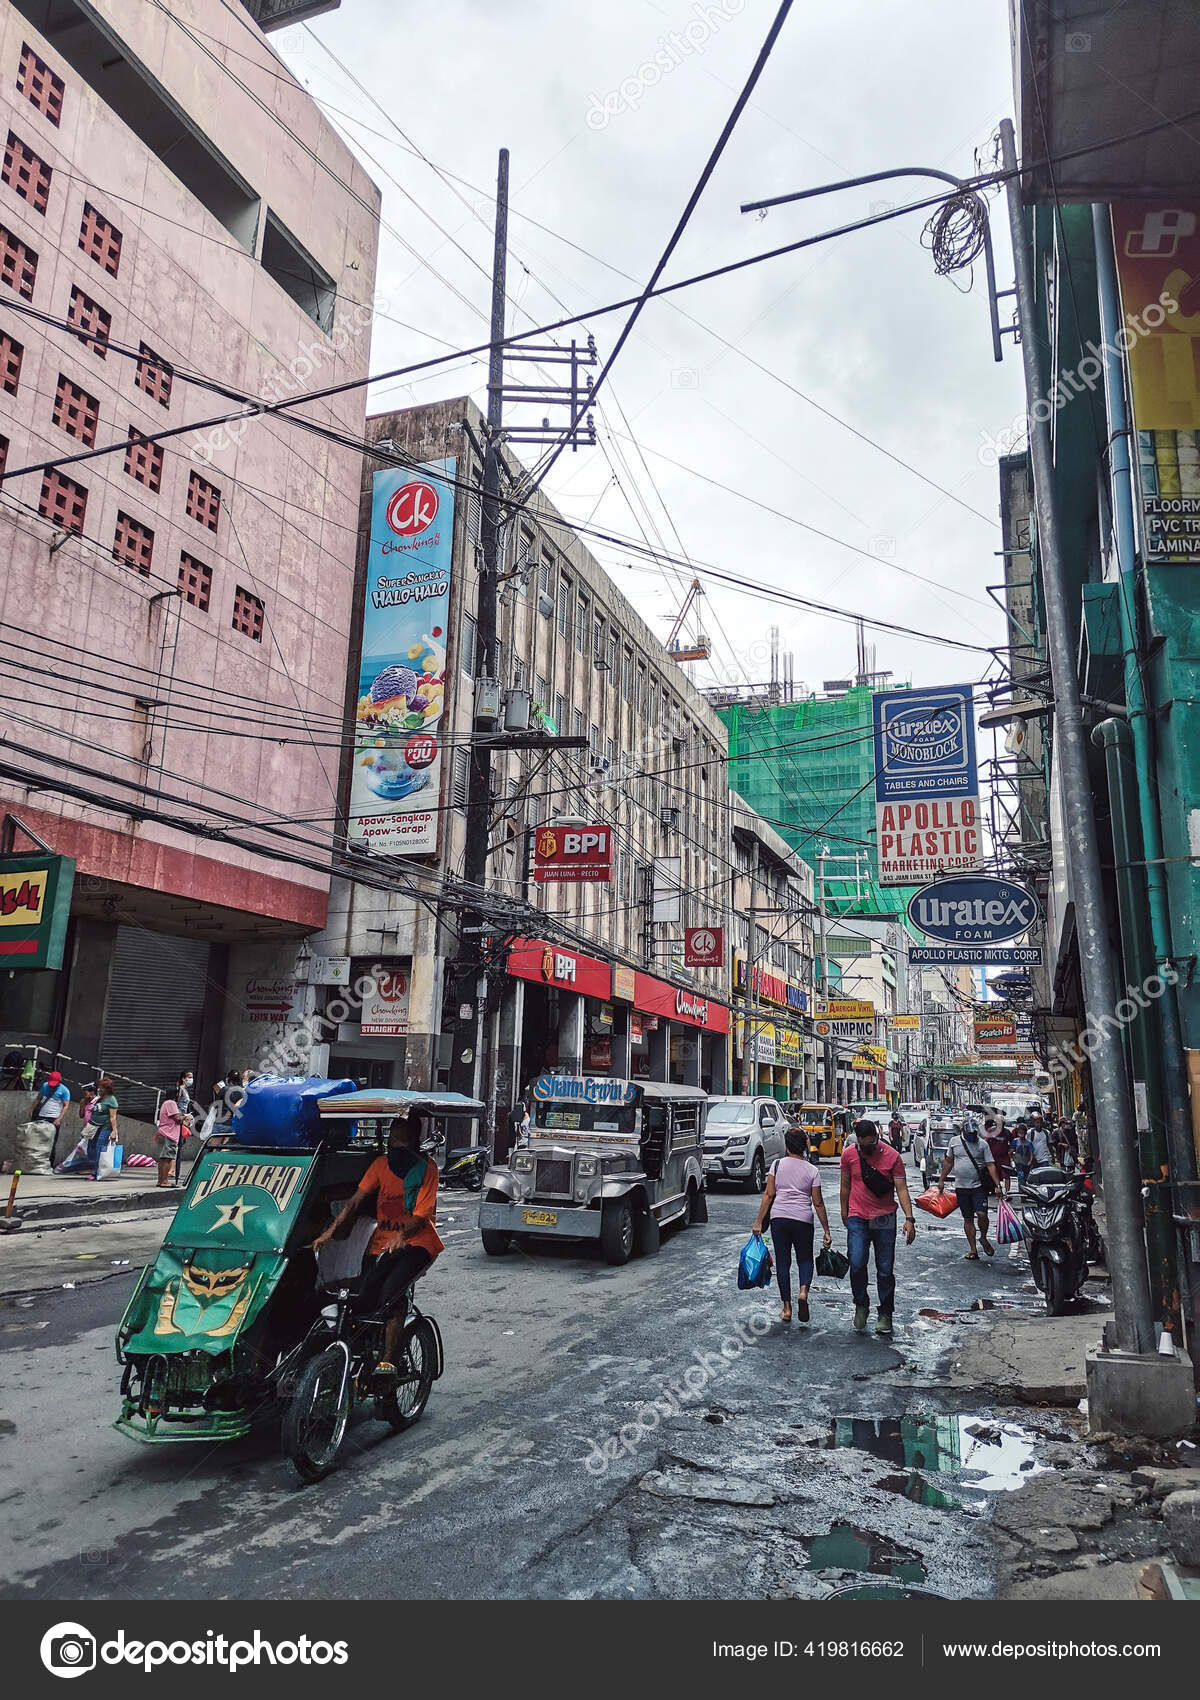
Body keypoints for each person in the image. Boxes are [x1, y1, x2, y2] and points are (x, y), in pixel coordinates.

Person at [312, 1113, 443, 1376]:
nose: (395, 1146)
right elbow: (355, 1202)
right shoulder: (380, 1165)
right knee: (361, 1295)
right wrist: (330, 1232)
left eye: (402, 1142)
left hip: (417, 1244)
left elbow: (422, 1214)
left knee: (391, 1294)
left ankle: (389, 1361)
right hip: (381, 1246)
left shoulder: (427, 1168)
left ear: (414, 1143)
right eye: (392, 1141)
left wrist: (400, 1236)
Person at [840, 1118, 916, 1337]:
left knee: (884, 1269)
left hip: (883, 1217)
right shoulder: (849, 1155)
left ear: (877, 1137)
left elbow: (902, 1189)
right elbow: (845, 1184)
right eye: (864, 1146)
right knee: (856, 1262)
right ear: (858, 1140)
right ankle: (861, 1303)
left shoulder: (892, 1156)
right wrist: (845, 1211)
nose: (868, 1150)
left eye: (872, 1144)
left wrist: (909, 1219)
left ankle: (885, 1314)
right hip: (857, 1216)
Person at [751, 1128, 833, 1325]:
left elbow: (769, 1195)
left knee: (783, 1263)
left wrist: (758, 1221)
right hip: (803, 1220)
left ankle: (786, 1308)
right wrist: (826, 1230)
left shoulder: (777, 1166)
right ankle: (803, 1291)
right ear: (804, 1145)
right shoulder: (812, 1170)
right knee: (805, 1260)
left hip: (779, 1218)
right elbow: (818, 1203)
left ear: (787, 1146)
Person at [938, 1119, 1002, 1259]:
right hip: (961, 1187)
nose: (972, 1135)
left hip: (978, 1186)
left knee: (982, 1214)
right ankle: (973, 1249)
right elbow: (949, 1161)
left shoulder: (982, 1145)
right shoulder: (954, 1142)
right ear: (963, 1131)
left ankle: (983, 1237)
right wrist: (941, 1179)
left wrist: (998, 1185)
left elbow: (990, 1165)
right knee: (968, 1219)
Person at [57, 1078, 118, 1177]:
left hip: (104, 1128)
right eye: (99, 1087)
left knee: (98, 1148)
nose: (99, 1090)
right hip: (92, 1128)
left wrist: (113, 1131)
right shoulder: (100, 1099)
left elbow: (113, 1117)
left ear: (106, 1089)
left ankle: (97, 1172)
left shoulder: (111, 1100)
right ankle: (92, 1168)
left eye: (101, 1088)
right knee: (90, 1149)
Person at [14, 1070, 71, 1174]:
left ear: (60, 1081)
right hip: (41, 1116)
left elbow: (66, 1105)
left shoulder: (64, 1090)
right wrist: (31, 1109)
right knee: (36, 1140)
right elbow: (39, 1098)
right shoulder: (45, 1086)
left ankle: (49, 1166)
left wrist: (59, 1119)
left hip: (53, 1119)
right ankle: (33, 1165)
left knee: (51, 1143)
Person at [154, 1096, 188, 1188]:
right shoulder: (171, 1103)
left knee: (162, 1159)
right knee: (168, 1158)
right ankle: (164, 1181)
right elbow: (177, 1118)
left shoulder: (165, 1103)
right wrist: (185, 1117)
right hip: (169, 1134)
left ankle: (160, 1181)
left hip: (163, 1133)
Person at [985, 1119, 1012, 1196]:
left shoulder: (1007, 1132)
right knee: (994, 1174)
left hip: (1004, 1157)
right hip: (993, 1157)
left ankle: (1007, 1192)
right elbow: (986, 1142)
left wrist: (1010, 1151)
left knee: (1006, 1174)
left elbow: (1013, 1142)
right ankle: (996, 1190)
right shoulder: (991, 1130)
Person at [1009, 1125, 1034, 1192]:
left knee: (1027, 1178)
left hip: (1026, 1163)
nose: (1021, 1134)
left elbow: (1031, 1152)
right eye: (1020, 1132)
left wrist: (1030, 1161)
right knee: (1021, 1177)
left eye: (1023, 1132)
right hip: (1019, 1163)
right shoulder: (1015, 1141)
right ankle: (1021, 1193)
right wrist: (1014, 1159)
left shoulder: (1029, 1142)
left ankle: (1026, 1192)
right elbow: (1010, 1152)